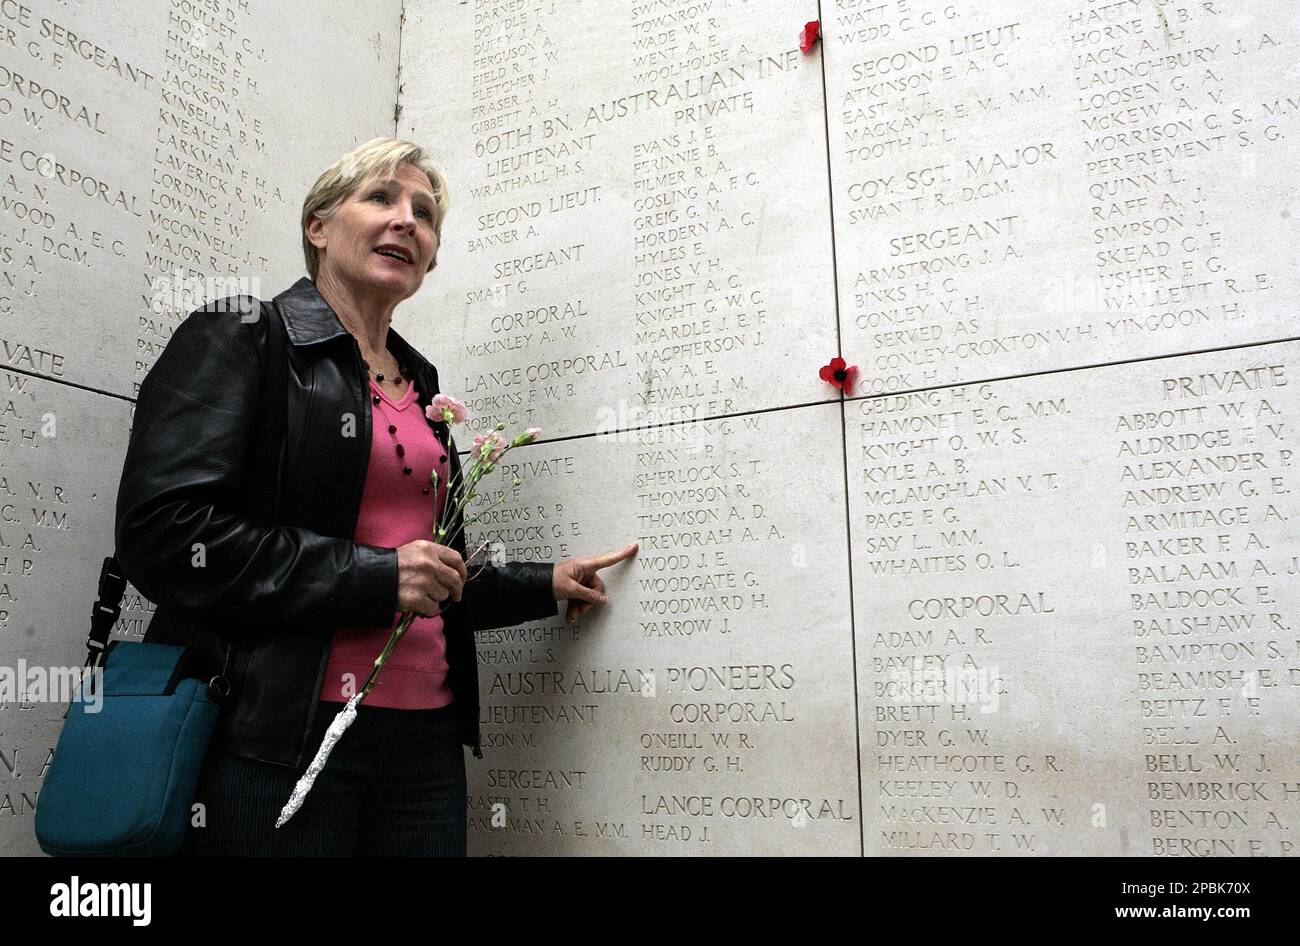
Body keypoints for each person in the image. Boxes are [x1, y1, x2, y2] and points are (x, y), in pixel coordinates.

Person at [114, 136, 637, 856]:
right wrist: (374, 577)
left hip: (424, 742)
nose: (406, 221)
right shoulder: (244, 336)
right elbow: (165, 536)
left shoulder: (424, 385)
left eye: (424, 213)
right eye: (380, 198)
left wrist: (541, 583)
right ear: (318, 227)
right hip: (273, 738)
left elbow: (429, 574)